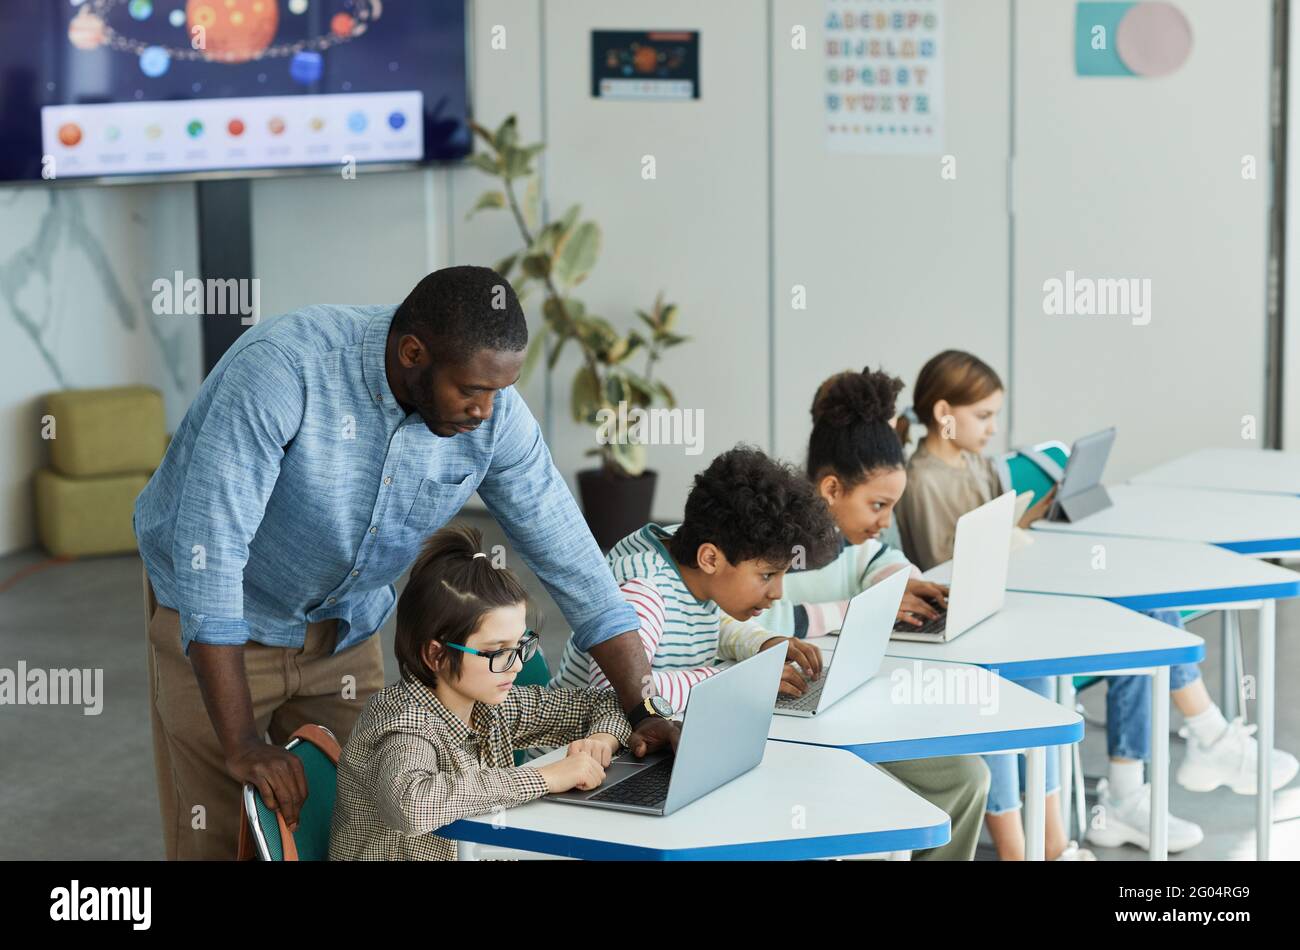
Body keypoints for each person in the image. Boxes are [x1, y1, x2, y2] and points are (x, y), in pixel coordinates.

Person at [135, 265, 677, 860]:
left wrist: (640, 708)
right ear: (413, 353)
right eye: (472, 391)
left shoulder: (492, 411)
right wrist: (239, 740)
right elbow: (210, 559)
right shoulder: (283, 371)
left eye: (499, 392)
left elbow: (573, 559)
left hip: (345, 628)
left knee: (365, 828)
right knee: (219, 836)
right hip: (221, 625)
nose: (486, 411)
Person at [330, 525, 630, 860]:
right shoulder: (403, 725)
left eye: (520, 645)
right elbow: (413, 804)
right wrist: (544, 777)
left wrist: (602, 739)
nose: (516, 665)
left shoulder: (489, 704)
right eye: (498, 651)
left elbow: (607, 702)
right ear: (436, 655)